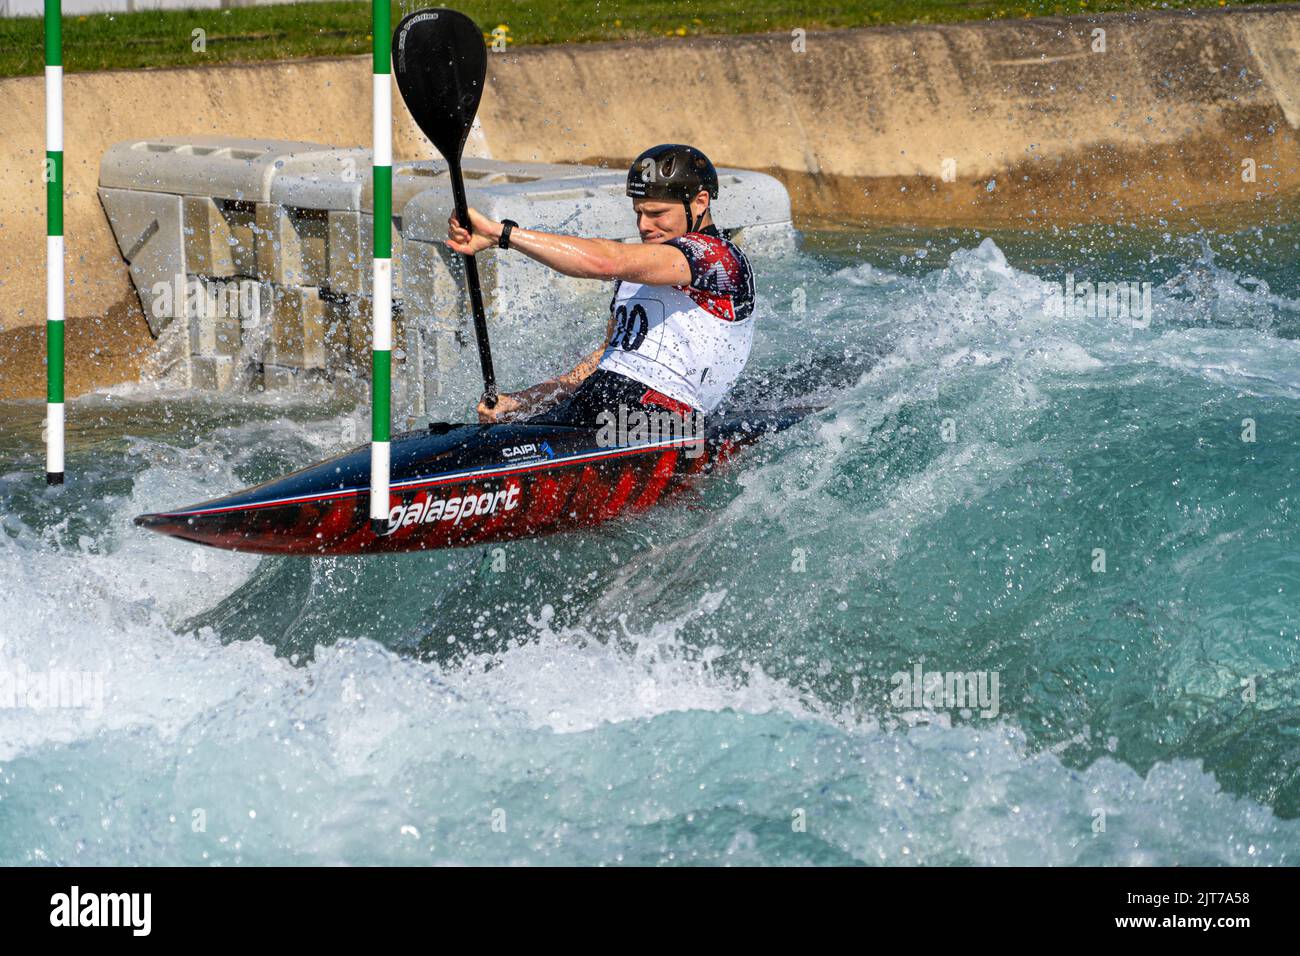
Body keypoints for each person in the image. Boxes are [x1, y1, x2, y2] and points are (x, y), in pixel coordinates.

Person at [445, 144, 756, 431]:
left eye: (657, 213)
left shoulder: (720, 258)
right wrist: (522, 402)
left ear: (700, 202)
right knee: (497, 435)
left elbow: (607, 261)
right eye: (639, 213)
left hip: (667, 418)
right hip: (601, 402)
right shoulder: (635, 275)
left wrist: (502, 234)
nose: (644, 226)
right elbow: (598, 363)